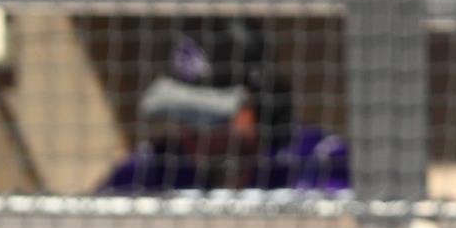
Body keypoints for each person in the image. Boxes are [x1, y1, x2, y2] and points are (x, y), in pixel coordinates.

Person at [101, 18, 347, 193]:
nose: (197, 135)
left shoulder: (321, 161)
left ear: (264, 108)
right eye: (184, 117)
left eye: (212, 119)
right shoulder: (152, 167)